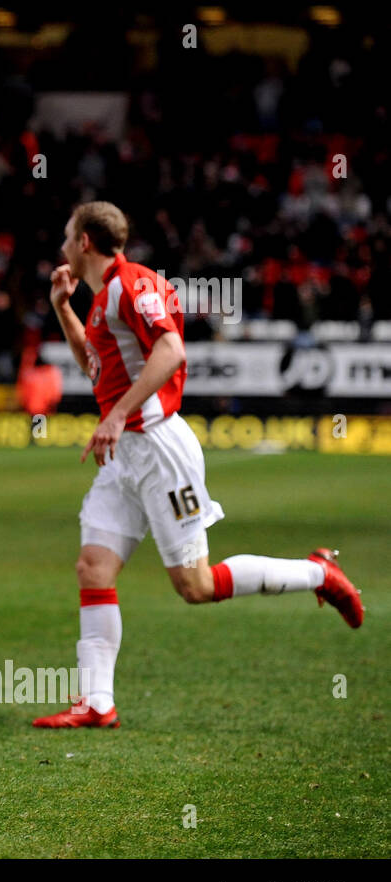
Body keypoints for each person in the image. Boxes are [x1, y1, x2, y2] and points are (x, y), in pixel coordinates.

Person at [34, 201, 364, 729]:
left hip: (159, 448)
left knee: (196, 587)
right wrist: (63, 308)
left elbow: (170, 351)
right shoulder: (98, 301)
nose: (64, 246)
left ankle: (317, 572)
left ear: (87, 243)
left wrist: (117, 415)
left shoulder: (134, 284)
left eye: (69, 236)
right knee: (93, 567)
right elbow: (95, 367)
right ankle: (97, 703)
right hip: (125, 456)